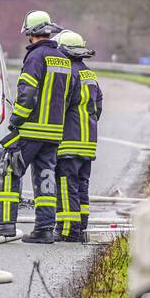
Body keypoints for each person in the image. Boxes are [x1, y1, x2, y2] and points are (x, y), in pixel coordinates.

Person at [0, 10, 71, 244]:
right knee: (45, 177)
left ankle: (4, 224)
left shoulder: (35, 57)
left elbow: (28, 94)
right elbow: (69, 97)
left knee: (9, 171)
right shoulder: (63, 58)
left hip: (31, 130)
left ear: (31, 33)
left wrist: (15, 121)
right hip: (53, 133)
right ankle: (44, 229)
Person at [54, 30, 102, 243]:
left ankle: (68, 229)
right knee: (82, 185)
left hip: (69, 142)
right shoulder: (90, 75)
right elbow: (97, 108)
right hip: (88, 142)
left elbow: (59, 106)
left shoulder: (67, 74)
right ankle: (81, 225)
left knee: (67, 185)